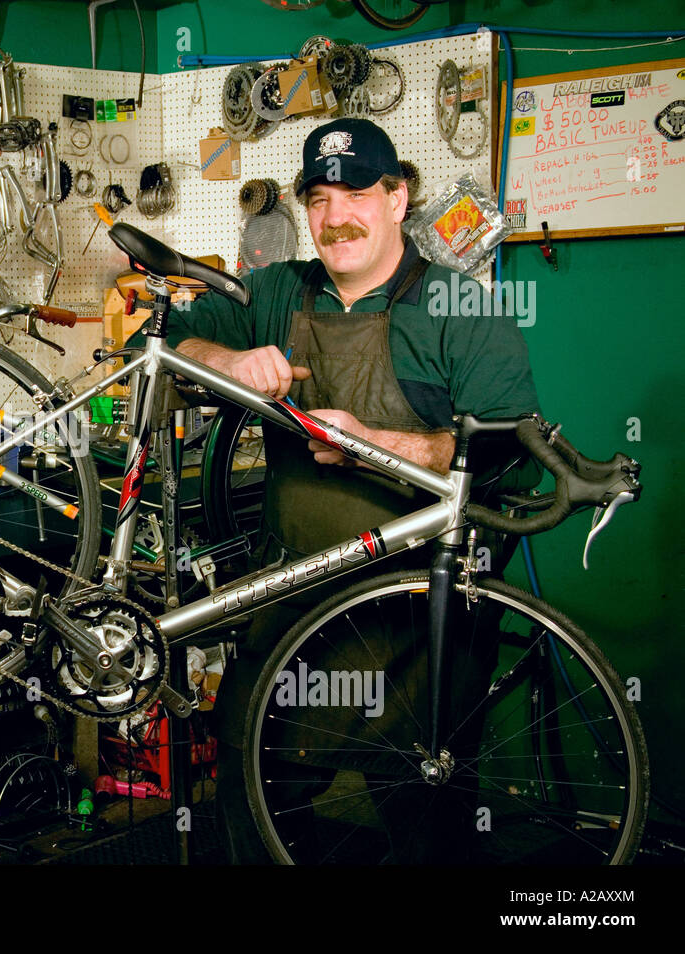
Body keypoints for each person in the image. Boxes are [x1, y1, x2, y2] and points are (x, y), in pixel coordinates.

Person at [161, 118, 542, 861]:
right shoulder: (274, 291)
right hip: (298, 595)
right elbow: (172, 343)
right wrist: (225, 362)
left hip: (421, 616)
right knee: (251, 778)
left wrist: (377, 445)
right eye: (319, 197)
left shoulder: (463, 311)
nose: (336, 217)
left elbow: (510, 458)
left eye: (358, 192)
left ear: (398, 198)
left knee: (426, 821)